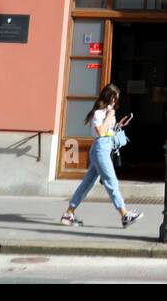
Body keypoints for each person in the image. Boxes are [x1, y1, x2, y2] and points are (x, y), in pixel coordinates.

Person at [60, 83, 142, 227]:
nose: (116, 102)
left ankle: (68, 214)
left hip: (104, 148)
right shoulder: (99, 113)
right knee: (111, 182)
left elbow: (109, 131)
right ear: (109, 97)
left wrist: (119, 125)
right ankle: (124, 215)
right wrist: (109, 115)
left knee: (87, 184)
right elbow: (100, 132)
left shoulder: (107, 113)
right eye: (115, 99)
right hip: (100, 149)